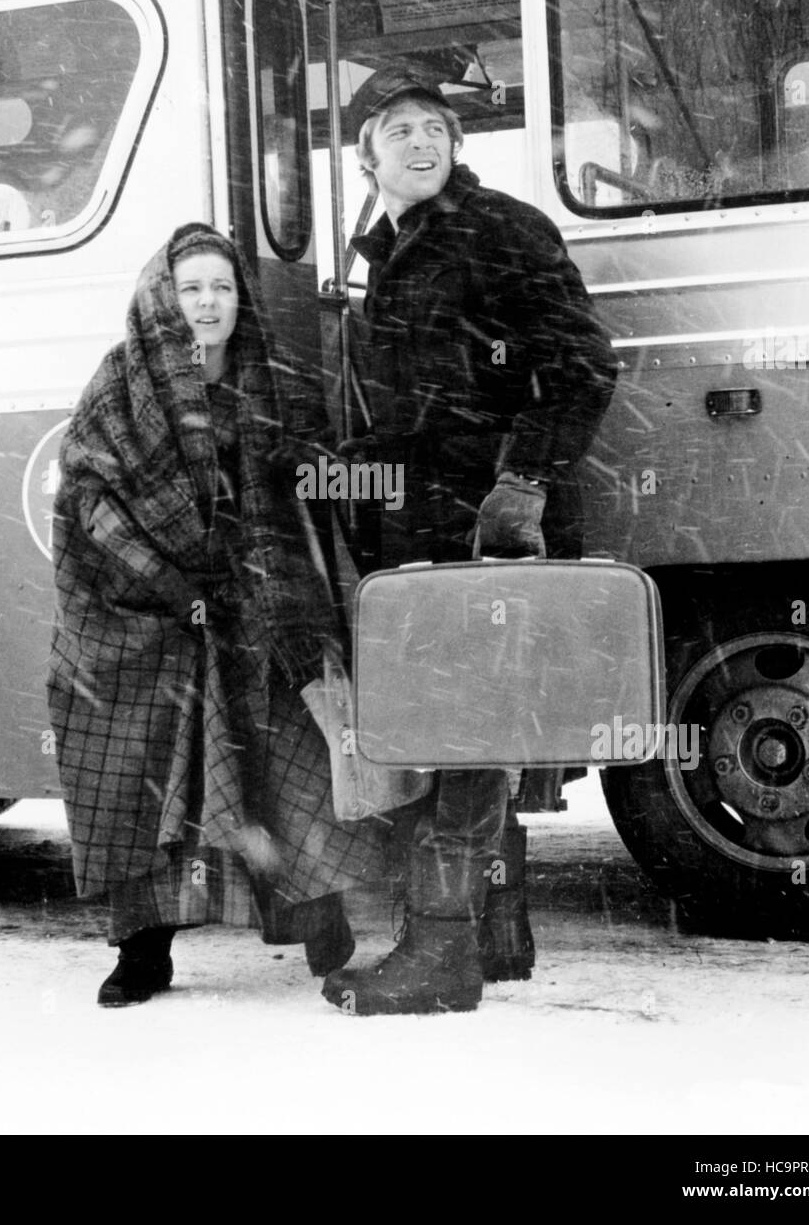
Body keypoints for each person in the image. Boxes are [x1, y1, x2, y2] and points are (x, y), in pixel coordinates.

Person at [320, 66, 618, 1016]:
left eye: (434, 128)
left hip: (489, 521)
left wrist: (522, 482)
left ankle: (440, 953)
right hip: (427, 522)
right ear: (367, 155)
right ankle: (495, 928)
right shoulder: (393, 248)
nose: (419, 142)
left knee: (466, 726)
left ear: (455, 147)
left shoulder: (501, 228)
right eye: (397, 129)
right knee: (473, 724)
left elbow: (582, 365)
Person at [48, 222, 383, 1007]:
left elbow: (306, 477)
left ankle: (319, 915)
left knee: (288, 758)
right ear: (164, 298)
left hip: (253, 603)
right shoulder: (120, 381)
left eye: (222, 287)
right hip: (148, 612)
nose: (208, 303)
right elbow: (91, 500)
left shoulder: (267, 377)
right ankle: (142, 950)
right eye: (191, 287)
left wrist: (319, 472)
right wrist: (169, 582)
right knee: (138, 771)